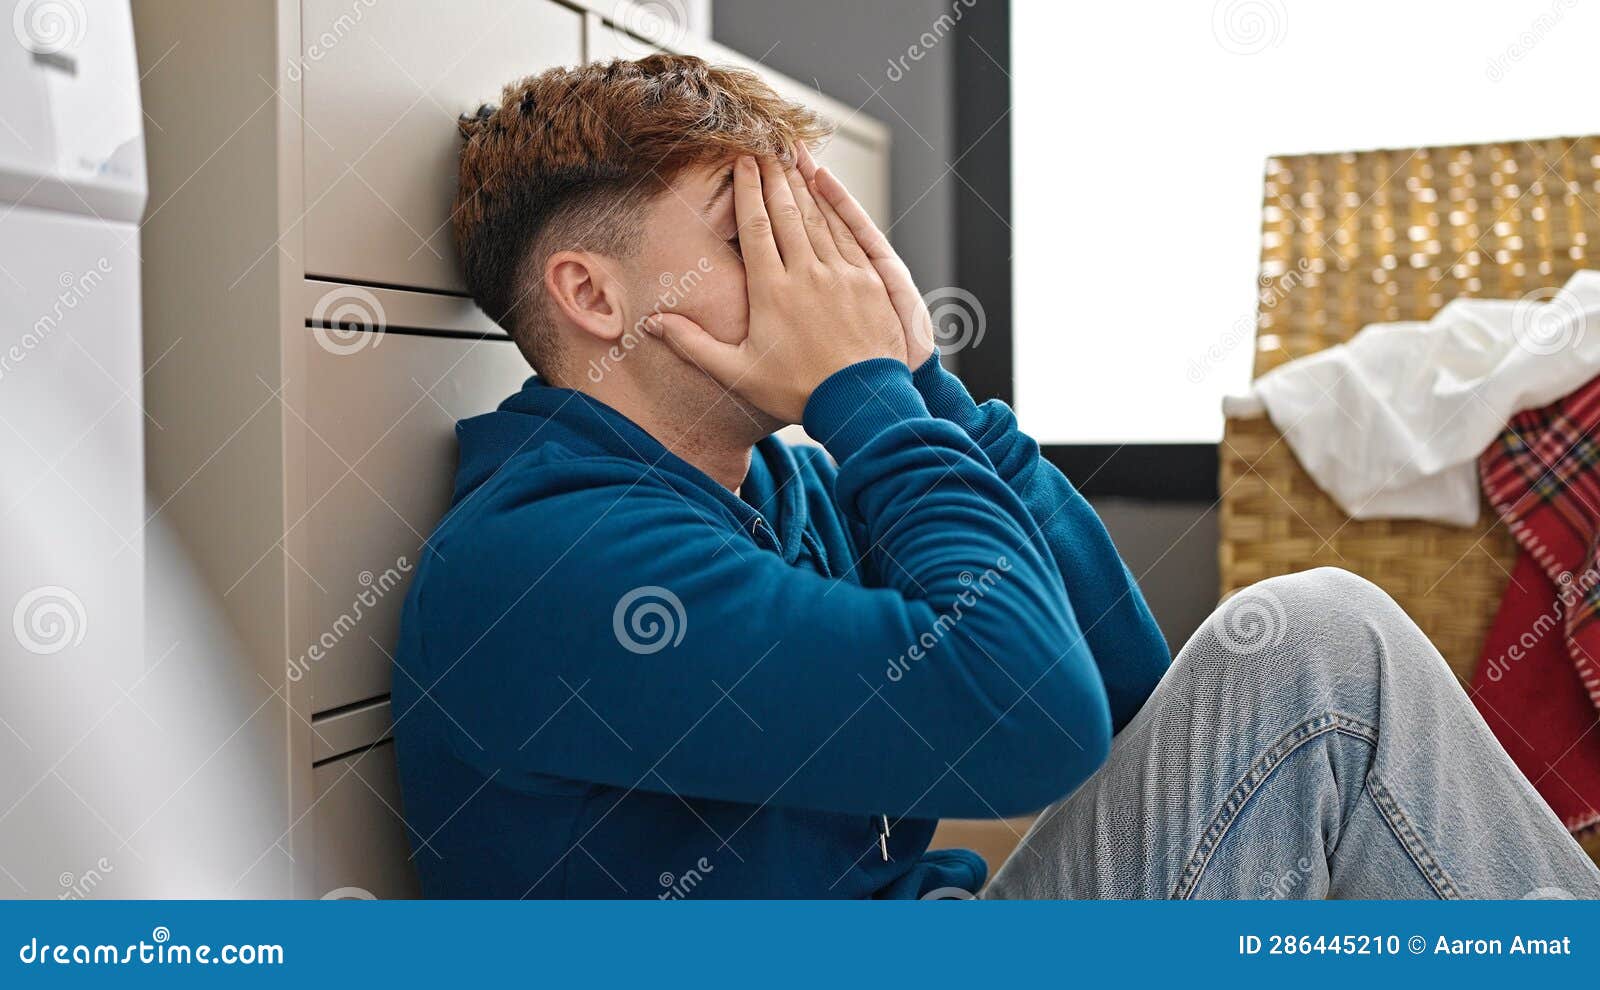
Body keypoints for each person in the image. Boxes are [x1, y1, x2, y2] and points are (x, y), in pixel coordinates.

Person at [390, 54, 1600, 899]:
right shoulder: (547, 564)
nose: (819, 277)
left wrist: (921, 384)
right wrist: (865, 397)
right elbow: (1029, 725)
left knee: (1312, 639)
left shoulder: (775, 490)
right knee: (1325, 648)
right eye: (753, 234)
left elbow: (1119, 692)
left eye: (815, 231)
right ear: (594, 297)